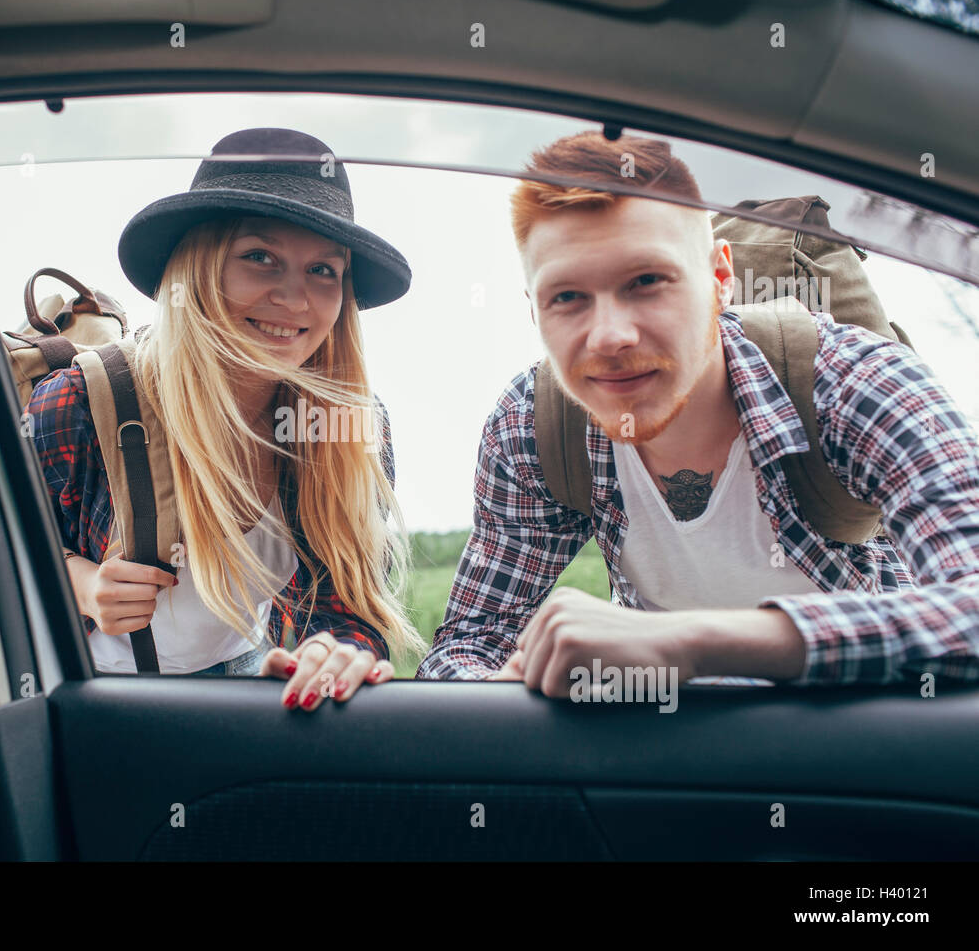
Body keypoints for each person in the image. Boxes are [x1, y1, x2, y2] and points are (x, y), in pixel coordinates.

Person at [417, 130, 979, 692]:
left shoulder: (855, 383)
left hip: (865, 746)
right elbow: (471, 641)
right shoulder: (530, 428)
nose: (610, 336)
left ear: (719, 279)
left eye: (646, 282)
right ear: (533, 312)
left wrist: (689, 644)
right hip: (671, 758)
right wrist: (508, 689)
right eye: (567, 297)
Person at [30, 127, 424, 709]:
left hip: (243, 684)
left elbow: (346, 608)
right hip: (87, 697)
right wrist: (85, 587)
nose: (295, 299)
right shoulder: (79, 405)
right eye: (259, 257)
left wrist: (337, 654)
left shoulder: (345, 428)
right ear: (198, 269)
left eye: (324, 270)